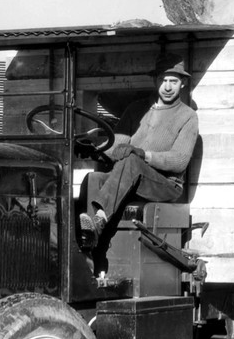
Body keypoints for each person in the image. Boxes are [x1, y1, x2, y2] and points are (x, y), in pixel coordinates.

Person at [79, 55, 198, 246]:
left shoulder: (188, 116)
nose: (167, 87)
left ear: (182, 83)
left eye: (173, 81)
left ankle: (99, 220)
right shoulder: (136, 109)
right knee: (93, 179)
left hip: (165, 185)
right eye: (163, 80)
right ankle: (86, 237)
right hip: (131, 177)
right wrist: (92, 148)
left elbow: (179, 160)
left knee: (132, 161)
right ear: (155, 81)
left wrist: (144, 155)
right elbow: (116, 146)